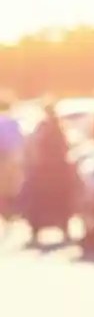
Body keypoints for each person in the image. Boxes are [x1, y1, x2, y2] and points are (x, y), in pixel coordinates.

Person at [24, 101, 77, 243]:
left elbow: (34, 147)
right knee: (57, 202)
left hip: (47, 171)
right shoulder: (57, 127)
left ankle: (39, 233)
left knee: (44, 202)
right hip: (55, 171)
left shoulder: (46, 127)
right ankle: (62, 231)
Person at [0, 92, 25, 225]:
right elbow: (20, 140)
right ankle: (10, 210)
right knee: (12, 185)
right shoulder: (13, 122)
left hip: (2, 156)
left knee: (2, 185)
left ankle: (4, 210)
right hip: (13, 157)